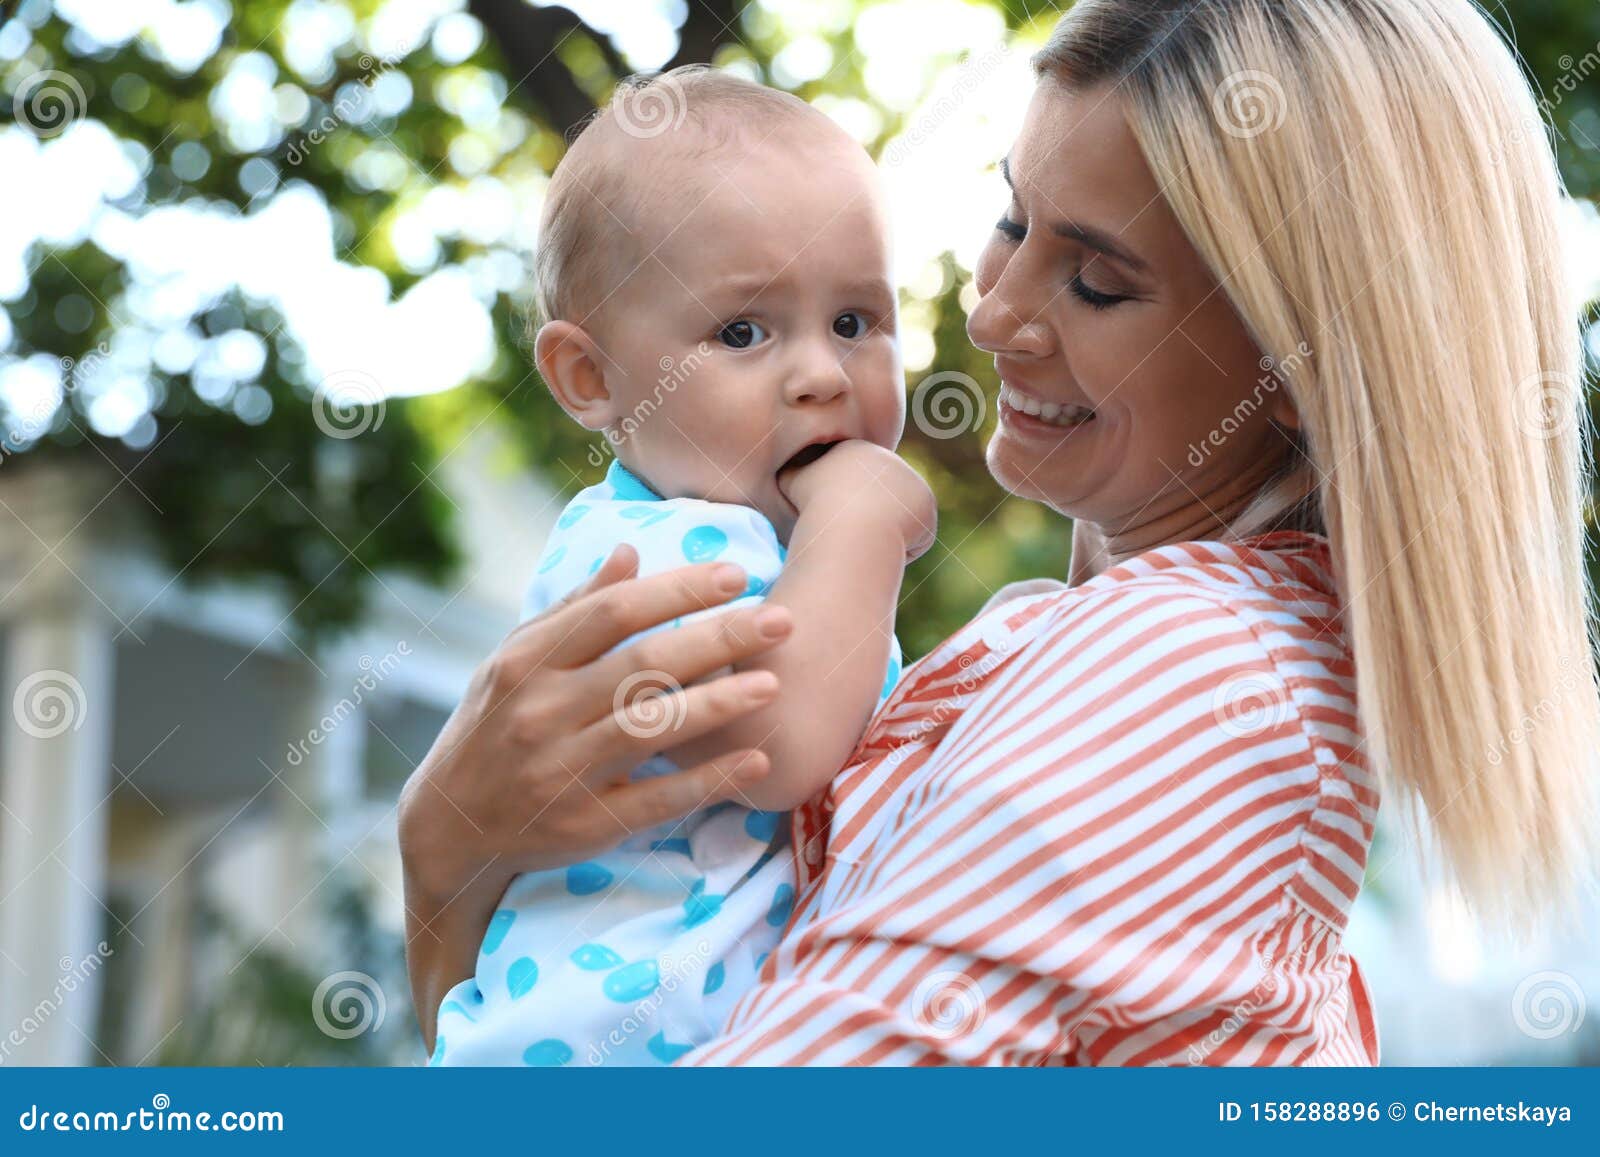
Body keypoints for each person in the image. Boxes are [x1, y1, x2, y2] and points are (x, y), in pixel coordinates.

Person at [401, 0, 1600, 1065]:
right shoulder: (1078, 642)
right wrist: (444, 855)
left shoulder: (1184, 672)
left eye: (1096, 282)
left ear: (1293, 364)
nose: (992, 311)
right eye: (1013, 221)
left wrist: (443, 863)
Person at [427, 68, 936, 1066]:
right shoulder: (662, 548)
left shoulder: (759, 545)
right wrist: (865, 523)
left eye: (856, 321)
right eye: (743, 331)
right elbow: (785, 746)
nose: (823, 375)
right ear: (592, 377)